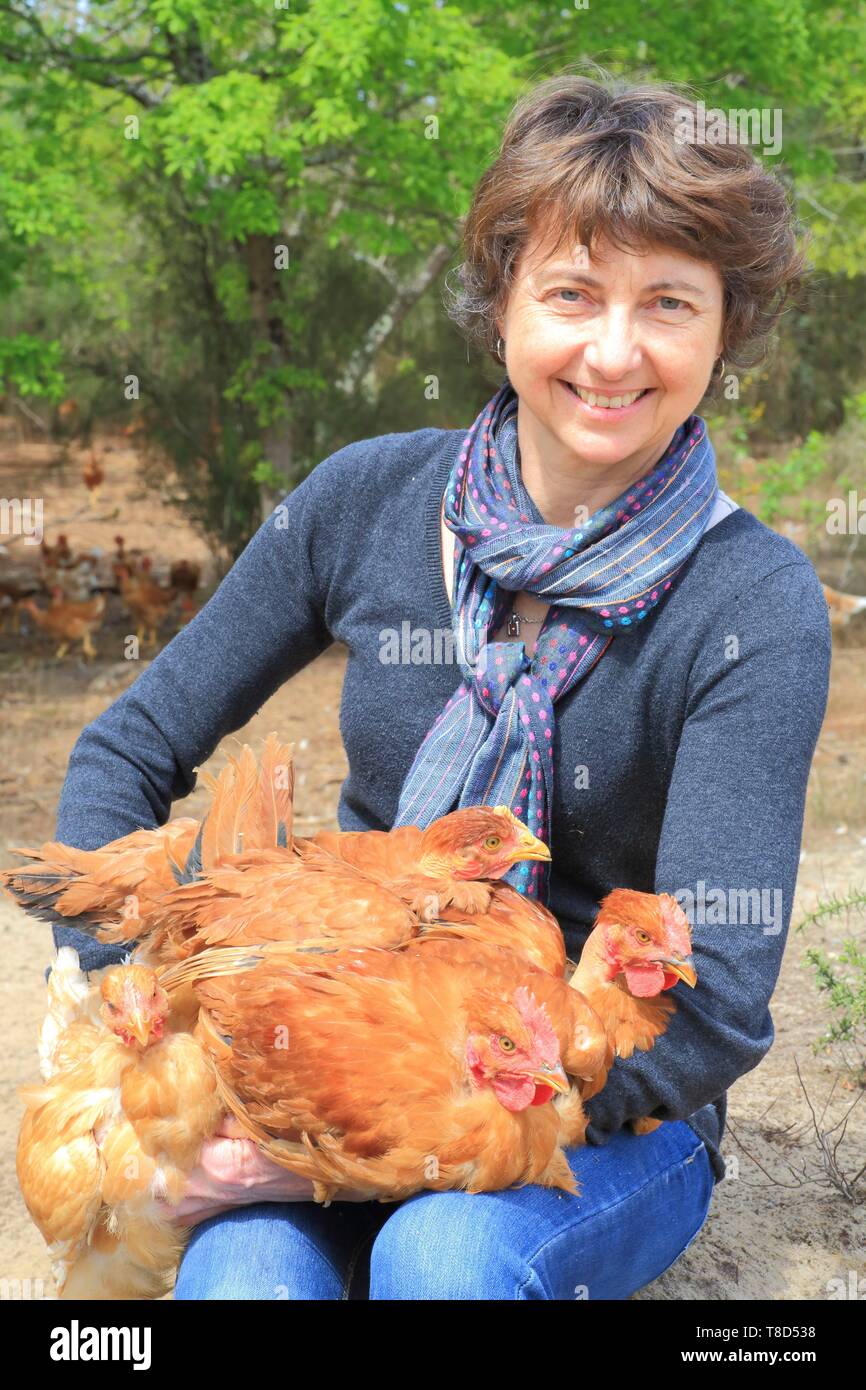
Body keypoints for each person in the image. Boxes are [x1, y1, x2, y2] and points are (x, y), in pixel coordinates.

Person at [51, 72, 831, 1300]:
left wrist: (420, 1126)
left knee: (442, 1257)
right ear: (502, 302)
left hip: (605, 1109)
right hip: (324, 1055)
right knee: (244, 1282)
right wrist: (166, 1039)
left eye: (667, 303)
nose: (612, 352)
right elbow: (124, 753)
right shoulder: (363, 499)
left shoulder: (752, 603)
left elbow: (715, 998)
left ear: (723, 329)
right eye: (571, 293)